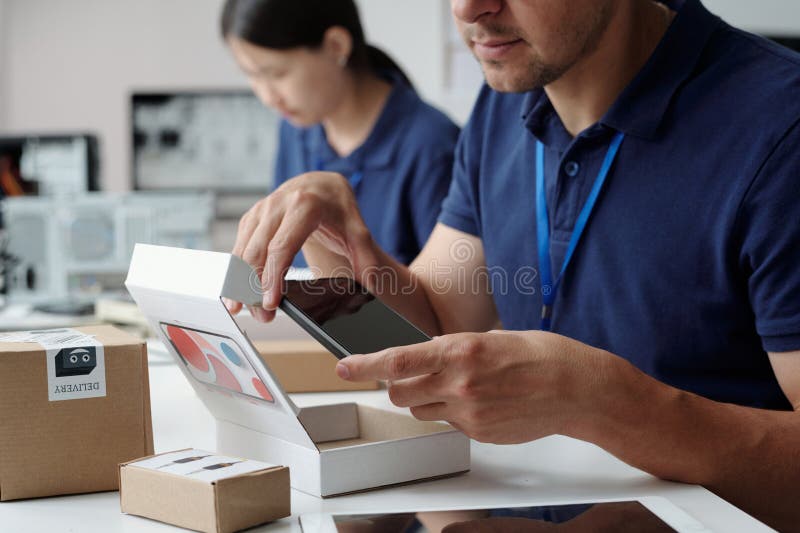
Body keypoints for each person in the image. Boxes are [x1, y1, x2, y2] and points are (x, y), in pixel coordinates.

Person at [228, 0, 800, 530]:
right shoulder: (507, 99)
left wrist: (604, 402)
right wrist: (337, 246)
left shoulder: (780, 126)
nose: (468, 9)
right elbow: (438, 324)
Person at [221, 0, 460, 271]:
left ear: (336, 46)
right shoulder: (296, 128)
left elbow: (444, 301)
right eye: (251, 76)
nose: (266, 97)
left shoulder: (433, 146)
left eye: (277, 74)